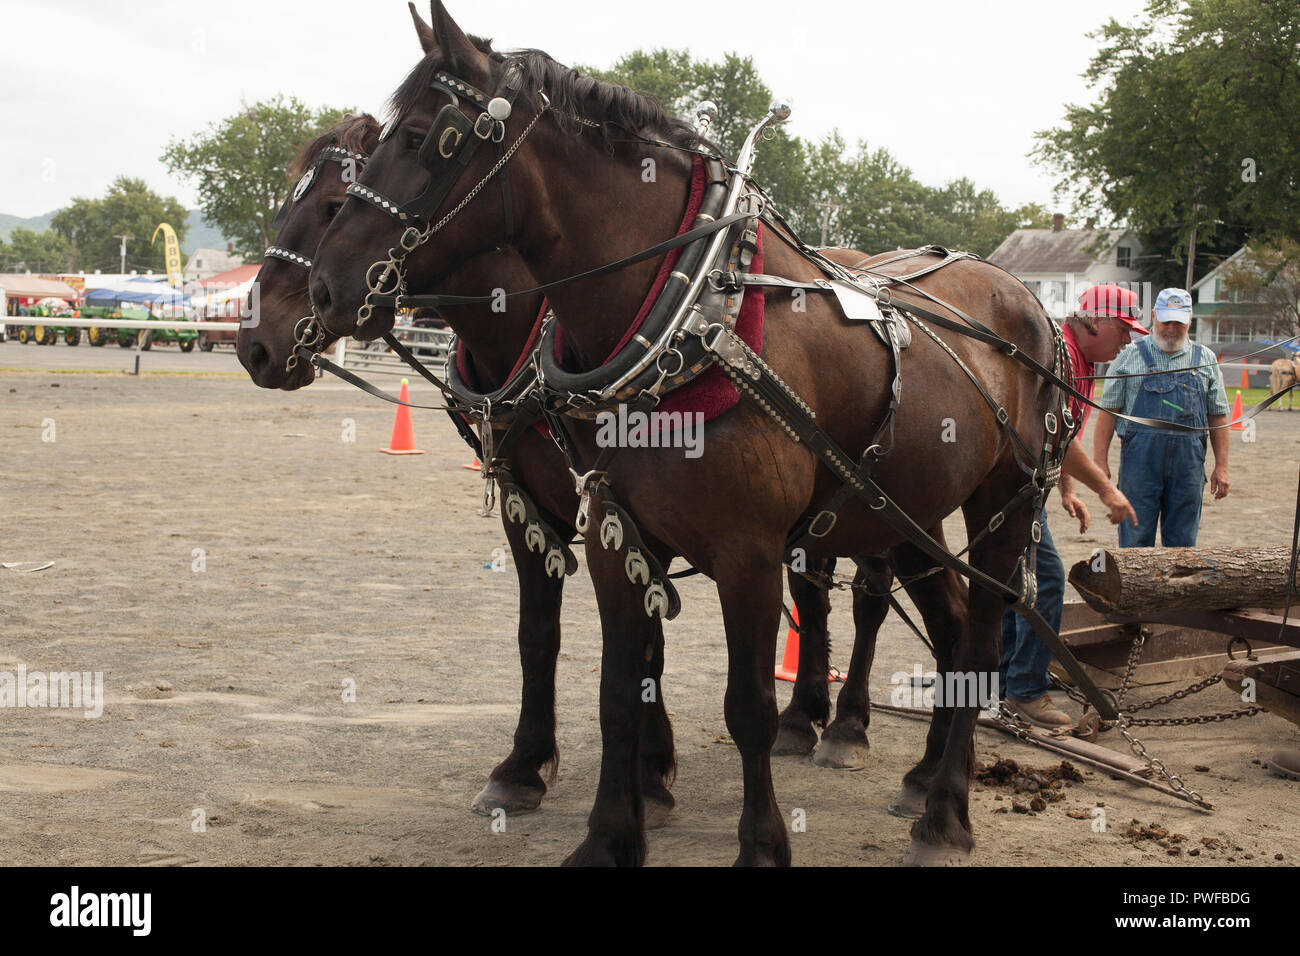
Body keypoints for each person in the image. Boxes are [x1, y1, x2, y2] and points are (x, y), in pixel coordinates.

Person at [999, 284, 1141, 729]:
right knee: (1048, 581)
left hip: (1030, 482)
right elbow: (1057, 435)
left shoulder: (1083, 363)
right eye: (1123, 329)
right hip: (1013, 483)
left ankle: (1001, 682)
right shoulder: (1056, 356)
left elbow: (1062, 431)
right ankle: (1025, 691)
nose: (1128, 341)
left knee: (1012, 585)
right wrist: (1106, 489)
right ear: (1096, 321)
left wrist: (1065, 491)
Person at [1092, 287, 1230, 547]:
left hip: (1188, 468)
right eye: (1166, 320)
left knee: (1182, 547)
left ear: (1190, 320)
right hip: (1139, 467)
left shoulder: (1206, 359)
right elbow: (1108, 413)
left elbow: (1218, 416)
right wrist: (1100, 462)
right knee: (1134, 542)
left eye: (1179, 322)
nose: (1171, 328)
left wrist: (1221, 467)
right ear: (1154, 316)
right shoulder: (1127, 357)